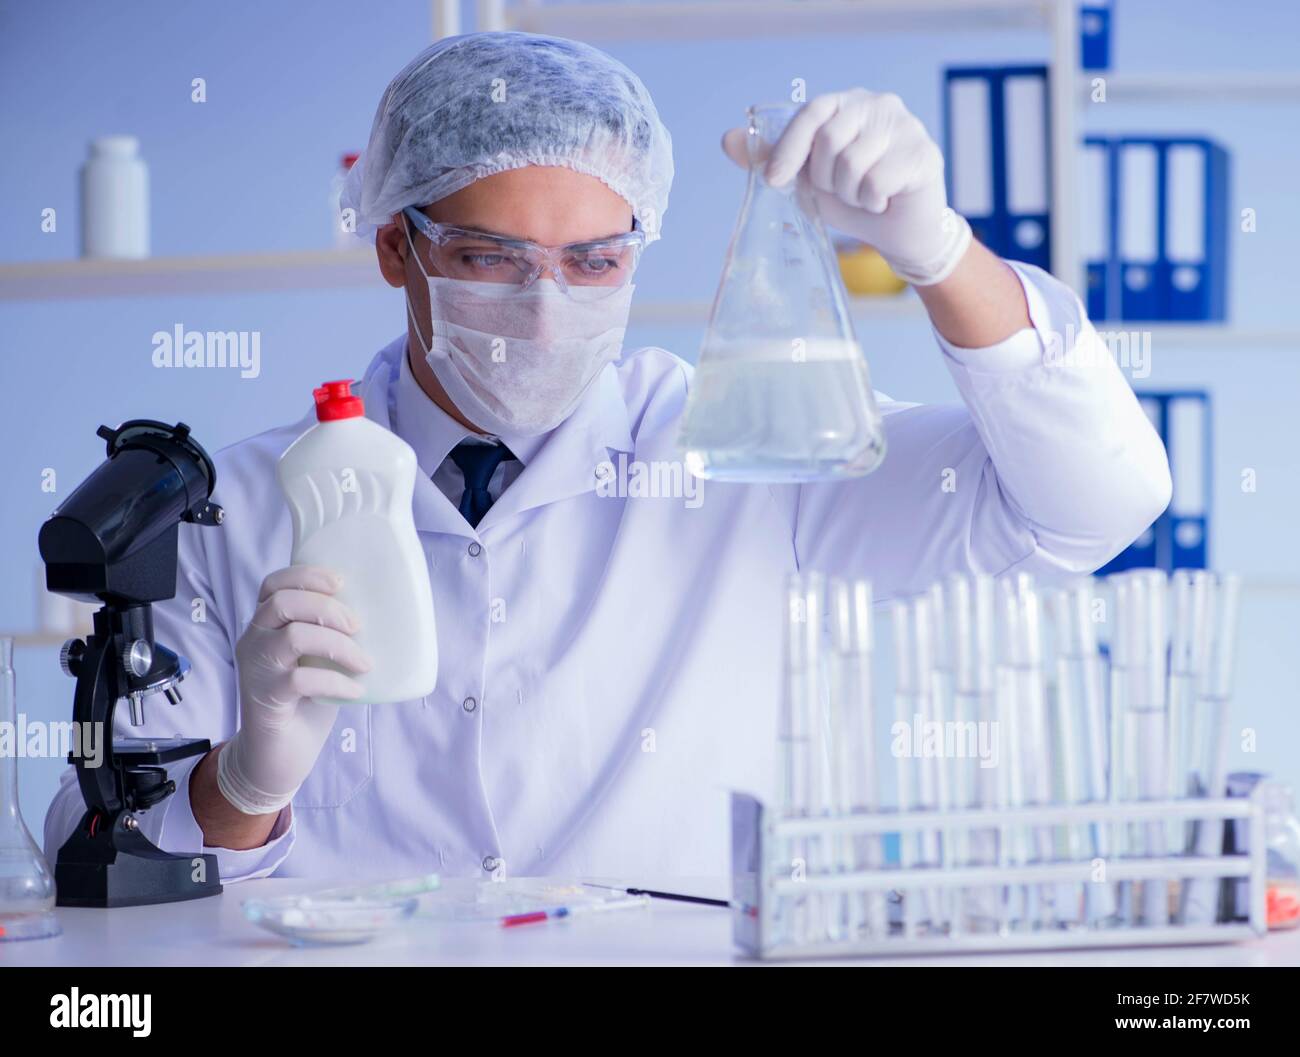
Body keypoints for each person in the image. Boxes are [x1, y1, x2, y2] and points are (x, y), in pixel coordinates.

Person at [45, 31, 1171, 882]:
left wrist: (939, 250)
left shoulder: (741, 447)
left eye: (594, 262)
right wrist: (242, 785)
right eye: (491, 256)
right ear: (396, 246)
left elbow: (1088, 506)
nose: (545, 307)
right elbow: (94, 860)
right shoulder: (232, 505)